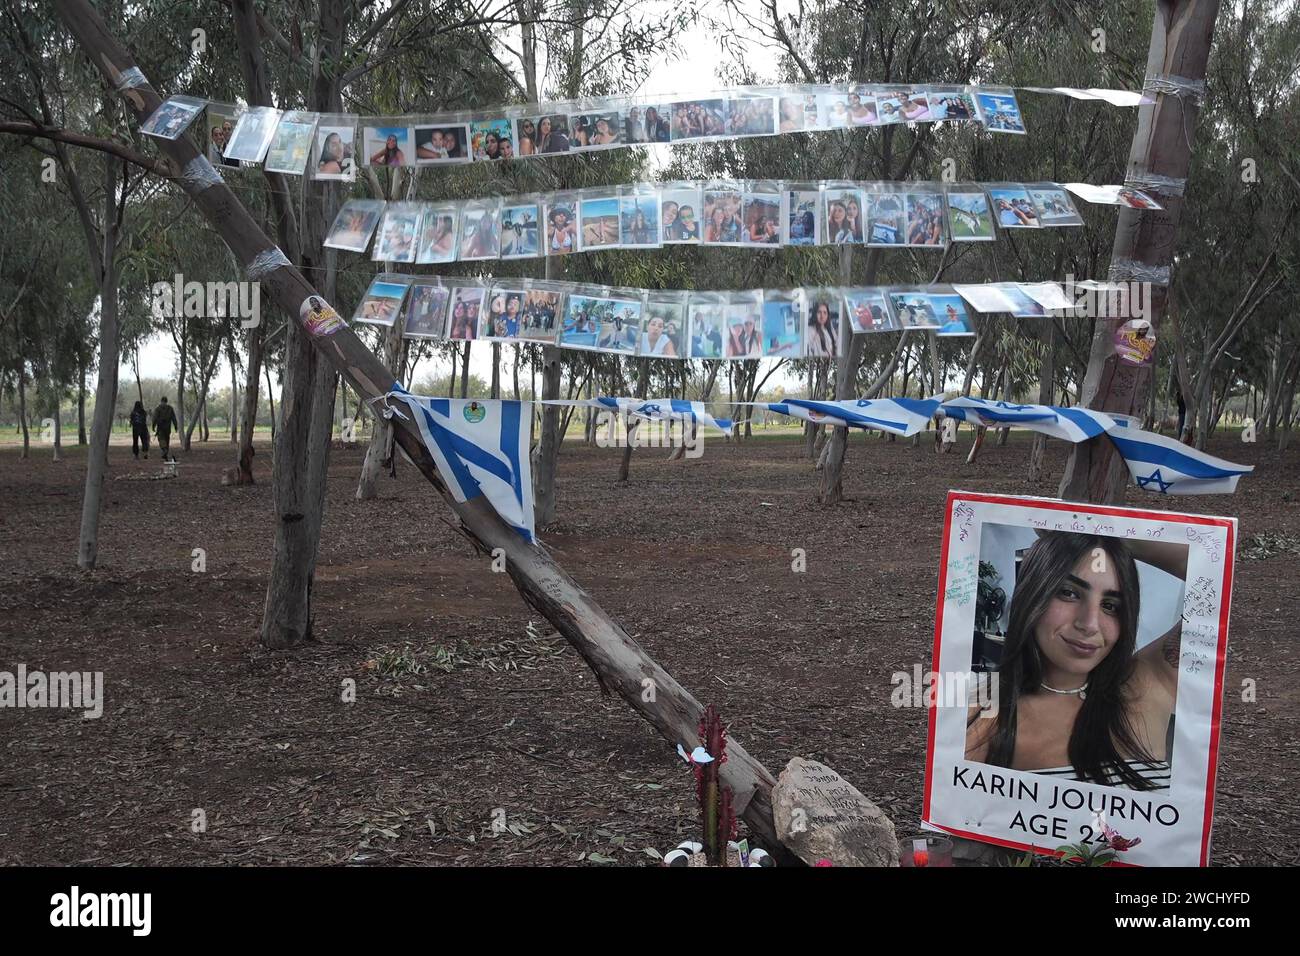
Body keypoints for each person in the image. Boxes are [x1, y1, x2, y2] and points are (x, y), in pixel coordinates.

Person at [966, 532, 1186, 791]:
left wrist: (1108, 532)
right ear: (1033, 593)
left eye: (1111, 605)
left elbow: (1215, 574)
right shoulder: (984, 712)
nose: (1089, 625)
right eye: (1069, 593)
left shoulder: (1146, 683)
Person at [153, 396, 178, 461]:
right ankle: (165, 453)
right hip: (167, 427)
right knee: (166, 440)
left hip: (160, 428)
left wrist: (153, 426)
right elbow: (174, 418)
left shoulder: (158, 409)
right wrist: (175, 426)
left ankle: (164, 451)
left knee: (161, 440)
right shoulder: (170, 408)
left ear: (161, 401)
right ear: (166, 401)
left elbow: (155, 418)